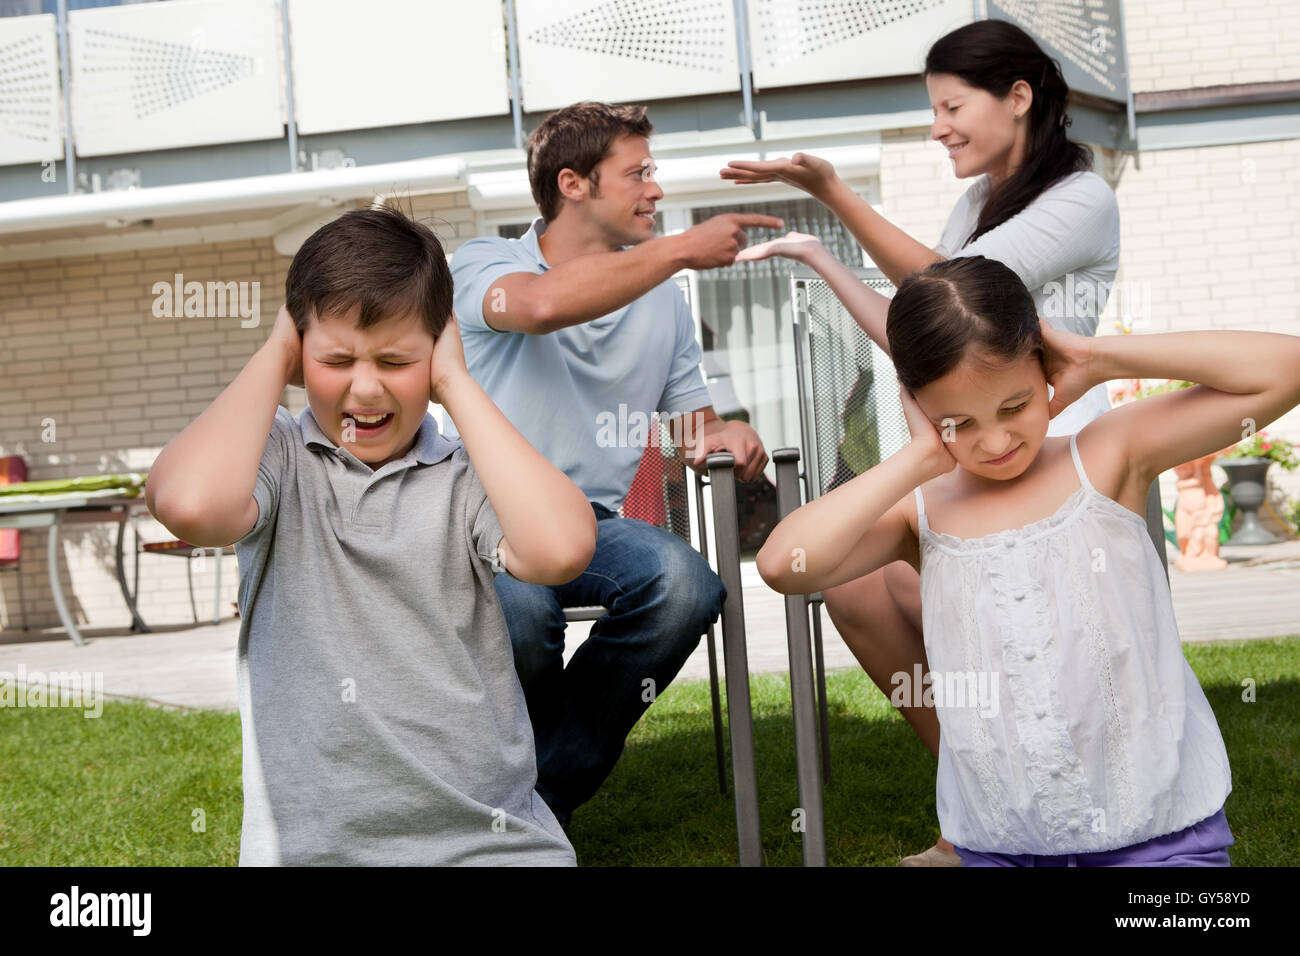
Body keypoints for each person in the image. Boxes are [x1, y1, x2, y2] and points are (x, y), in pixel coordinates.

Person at [725, 18, 1120, 864]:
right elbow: (926, 332)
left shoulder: (1081, 199)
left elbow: (945, 288)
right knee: (854, 587)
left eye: (951, 107)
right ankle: (984, 803)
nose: (938, 127)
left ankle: (1012, 813)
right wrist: (821, 257)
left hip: (1048, 457)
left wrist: (835, 192)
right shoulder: (980, 202)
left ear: (1019, 97)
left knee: (959, 612)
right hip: (973, 456)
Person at [760, 254, 1300, 865]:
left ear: (1044, 365)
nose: (995, 441)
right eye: (957, 422)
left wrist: (1098, 357)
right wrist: (918, 458)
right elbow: (784, 564)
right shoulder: (920, 510)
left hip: (1160, 837)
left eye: (1014, 407)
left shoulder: (1109, 454)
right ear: (917, 406)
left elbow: (1286, 368)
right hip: (1001, 845)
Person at [145, 206, 597, 865]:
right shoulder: (277, 458)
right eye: (334, 359)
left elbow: (560, 550)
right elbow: (189, 504)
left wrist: (457, 383)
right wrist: (274, 353)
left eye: (396, 359)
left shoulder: (464, 474)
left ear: (437, 352)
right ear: (300, 352)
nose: (365, 387)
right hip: (316, 854)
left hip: (491, 845)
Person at [450, 101, 779, 825]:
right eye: (637, 174)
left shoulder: (662, 300)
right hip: (483, 518)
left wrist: (722, 432)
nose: (655, 190)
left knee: (686, 586)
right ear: (573, 183)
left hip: (592, 523)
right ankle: (519, 797)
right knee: (524, 613)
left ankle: (537, 798)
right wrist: (682, 250)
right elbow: (537, 308)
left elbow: (692, 423)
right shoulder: (485, 263)